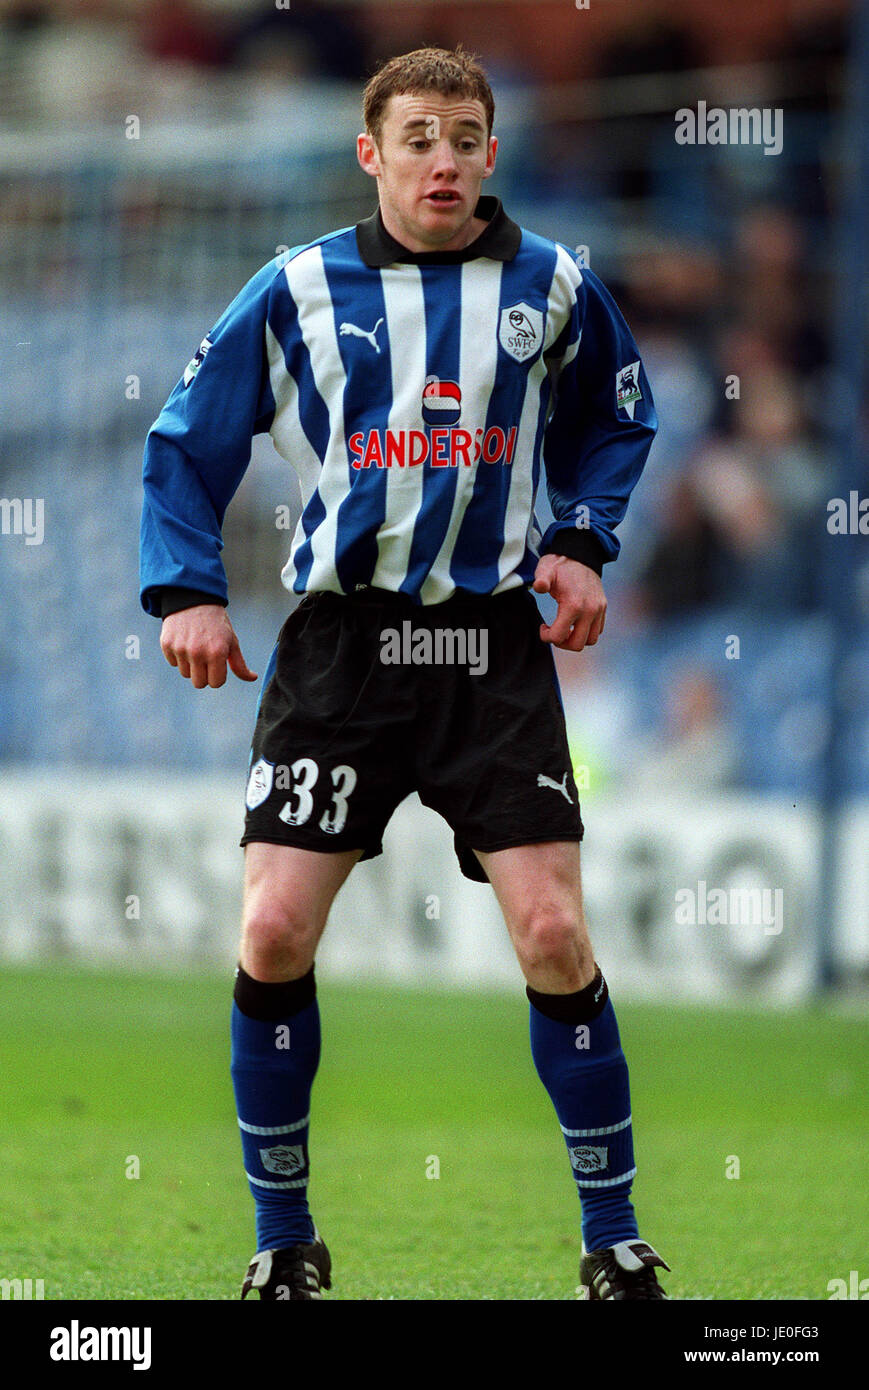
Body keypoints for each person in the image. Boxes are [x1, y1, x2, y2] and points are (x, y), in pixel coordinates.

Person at [139, 45, 667, 1301]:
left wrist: (584, 540)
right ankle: (283, 1240)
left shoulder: (555, 286)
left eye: (465, 136)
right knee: (271, 929)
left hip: (489, 652)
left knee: (550, 932)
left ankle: (613, 1236)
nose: (443, 159)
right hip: (342, 650)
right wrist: (190, 590)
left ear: (492, 153)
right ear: (371, 153)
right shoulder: (296, 287)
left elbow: (619, 415)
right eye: (418, 136)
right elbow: (185, 438)